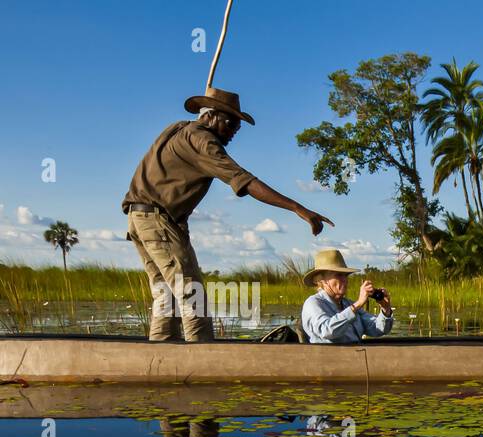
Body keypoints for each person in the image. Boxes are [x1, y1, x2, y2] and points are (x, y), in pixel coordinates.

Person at [123, 86, 333, 343]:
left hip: (140, 219)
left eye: (237, 126)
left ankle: (158, 357)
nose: (234, 131)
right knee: (194, 297)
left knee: (166, 296)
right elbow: (244, 180)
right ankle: (204, 361)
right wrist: (299, 209)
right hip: (159, 222)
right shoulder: (202, 141)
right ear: (210, 117)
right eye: (230, 123)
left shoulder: (178, 128)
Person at [301, 249, 395, 344]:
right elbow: (327, 331)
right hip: (328, 357)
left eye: (345, 275)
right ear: (322, 280)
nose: (344, 279)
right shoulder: (313, 303)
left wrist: (385, 310)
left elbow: (377, 329)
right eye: (338, 275)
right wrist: (357, 305)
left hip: (357, 356)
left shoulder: (348, 304)